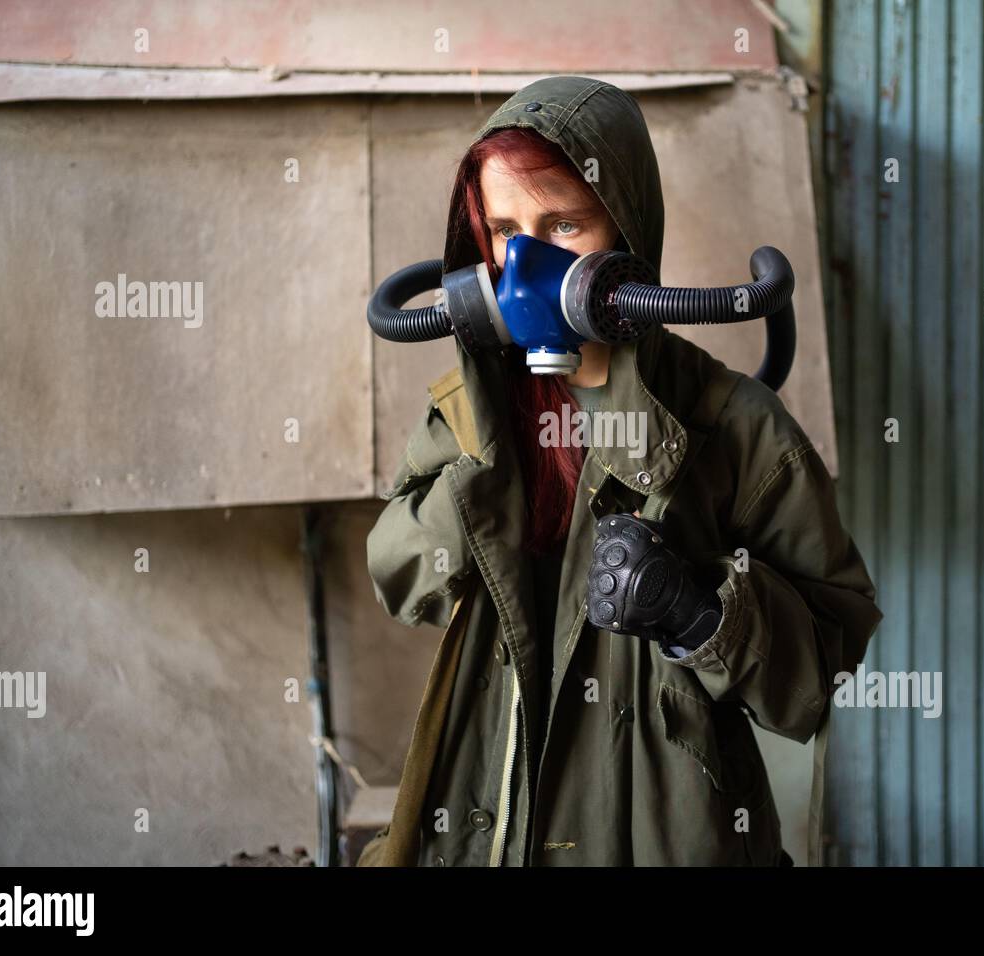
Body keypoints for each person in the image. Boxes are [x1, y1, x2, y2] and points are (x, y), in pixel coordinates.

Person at [365, 75, 882, 866]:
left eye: (563, 224)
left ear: (626, 235)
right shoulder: (471, 407)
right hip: (488, 821)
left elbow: (819, 675)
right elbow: (400, 579)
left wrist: (702, 612)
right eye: (504, 230)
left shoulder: (732, 424)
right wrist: (477, 475)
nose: (525, 261)